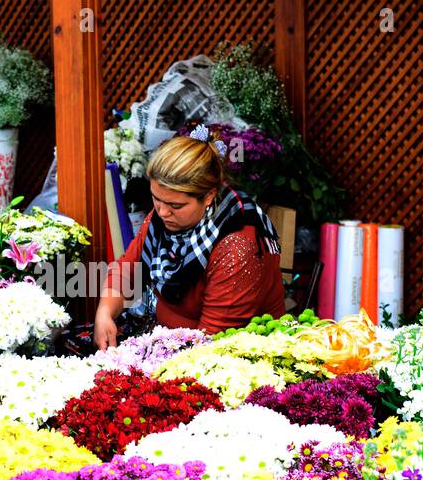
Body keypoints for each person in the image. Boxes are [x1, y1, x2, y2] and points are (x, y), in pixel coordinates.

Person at [94, 129, 285, 349]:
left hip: (225, 359)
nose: (163, 212)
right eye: (156, 199)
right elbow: (127, 272)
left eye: (176, 205)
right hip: (169, 343)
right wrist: (105, 311)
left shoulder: (237, 247)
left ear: (209, 196)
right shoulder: (163, 218)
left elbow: (211, 343)